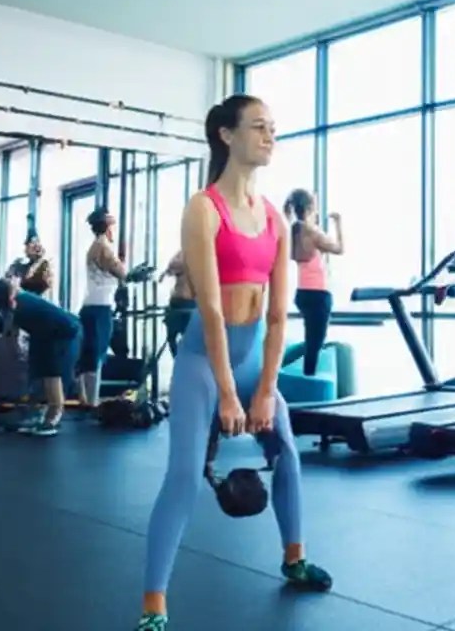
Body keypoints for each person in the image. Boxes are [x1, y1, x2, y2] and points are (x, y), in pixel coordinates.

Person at [136, 94, 332, 631]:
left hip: (252, 359)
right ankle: (154, 606)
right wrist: (227, 392)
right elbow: (212, 309)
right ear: (226, 135)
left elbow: (276, 317)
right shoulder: (203, 208)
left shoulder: (274, 218)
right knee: (182, 477)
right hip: (204, 359)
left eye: (274, 127)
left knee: (287, 453)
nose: (270, 136)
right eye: (259, 127)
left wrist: (264, 388)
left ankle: (294, 558)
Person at [0, 275, 81, 436]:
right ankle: (35, 413)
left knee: (51, 372)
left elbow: (11, 333)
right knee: (36, 369)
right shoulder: (16, 302)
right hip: (43, 332)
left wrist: (16, 350)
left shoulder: (19, 305)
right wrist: (17, 351)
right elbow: (11, 333)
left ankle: (52, 419)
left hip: (62, 331)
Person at [283, 189, 343, 375]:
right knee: (316, 343)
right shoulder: (312, 232)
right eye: (314, 207)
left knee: (312, 342)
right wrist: (338, 223)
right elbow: (339, 249)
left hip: (303, 293)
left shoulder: (293, 231)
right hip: (319, 294)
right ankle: (308, 378)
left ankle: (287, 369)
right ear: (309, 208)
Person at [77, 208, 125, 408]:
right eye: (113, 226)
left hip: (91, 305)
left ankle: (85, 398)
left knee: (88, 353)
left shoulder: (94, 246)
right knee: (97, 353)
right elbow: (121, 272)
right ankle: (92, 401)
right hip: (100, 307)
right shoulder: (103, 247)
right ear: (107, 228)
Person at [159, 251, 196, 356]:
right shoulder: (184, 252)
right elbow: (173, 265)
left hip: (189, 303)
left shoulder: (200, 254)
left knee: (190, 338)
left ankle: (186, 363)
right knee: (171, 337)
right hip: (178, 302)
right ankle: (178, 361)